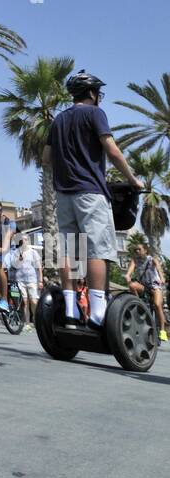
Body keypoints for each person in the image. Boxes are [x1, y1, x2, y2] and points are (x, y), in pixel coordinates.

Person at [42, 69, 143, 328]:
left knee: (70, 249)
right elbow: (111, 149)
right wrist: (133, 180)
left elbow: (45, 159)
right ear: (91, 93)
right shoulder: (95, 113)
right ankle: (98, 312)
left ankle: (71, 311)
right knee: (97, 249)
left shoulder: (59, 120)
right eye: (98, 92)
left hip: (63, 195)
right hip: (90, 193)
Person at [126, 245, 168, 342]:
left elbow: (158, 268)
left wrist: (162, 278)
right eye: (136, 249)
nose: (137, 251)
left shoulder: (152, 259)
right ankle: (139, 304)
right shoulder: (135, 260)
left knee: (157, 305)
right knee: (132, 286)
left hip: (155, 285)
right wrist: (127, 276)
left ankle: (162, 331)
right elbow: (129, 272)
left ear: (145, 250)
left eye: (139, 249)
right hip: (144, 286)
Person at [8, 230, 43, 329]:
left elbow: (39, 267)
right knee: (24, 301)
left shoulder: (33, 252)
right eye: (22, 239)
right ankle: (27, 323)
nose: (24, 241)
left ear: (28, 241)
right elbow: (14, 265)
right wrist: (18, 260)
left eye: (26, 240)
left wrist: (40, 280)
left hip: (32, 279)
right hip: (20, 279)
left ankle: (36, 321)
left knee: (34, 301)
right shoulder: (16, 252)